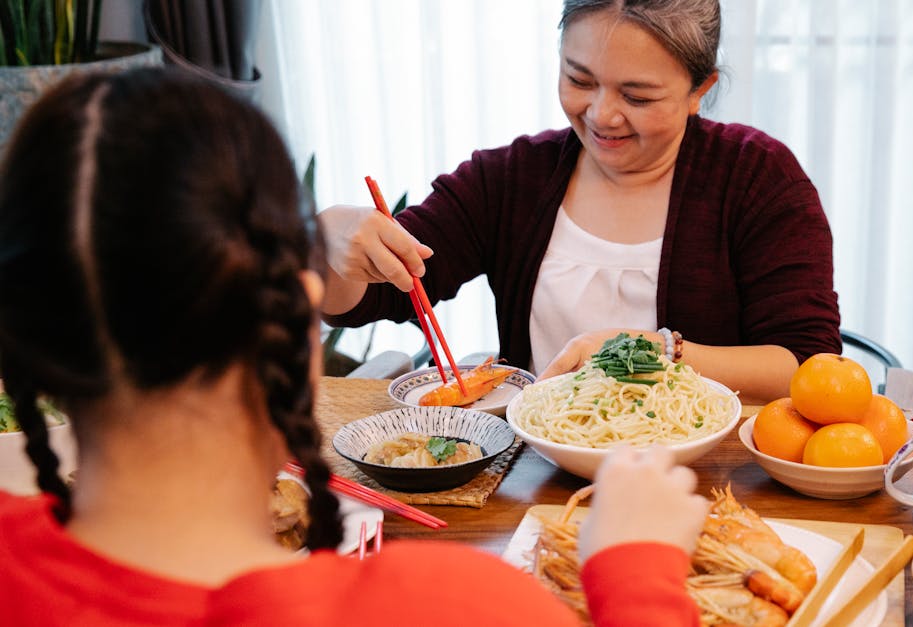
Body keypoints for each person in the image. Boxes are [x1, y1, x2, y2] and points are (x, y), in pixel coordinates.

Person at [0, 68, 710, 626]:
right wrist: (635, 573)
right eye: (580, 79)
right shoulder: (455, 607)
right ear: (300, 311)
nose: (601, 113)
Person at [320, 0, 841, 404]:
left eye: (637, 96)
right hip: (535, 476)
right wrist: (328, 243)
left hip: (706, 480)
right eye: (579, 80)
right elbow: (375, 295)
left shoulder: (758, 179)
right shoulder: (511, 178)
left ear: (698, 89)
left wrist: (648, 355)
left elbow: (807, 363)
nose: (602, 115)